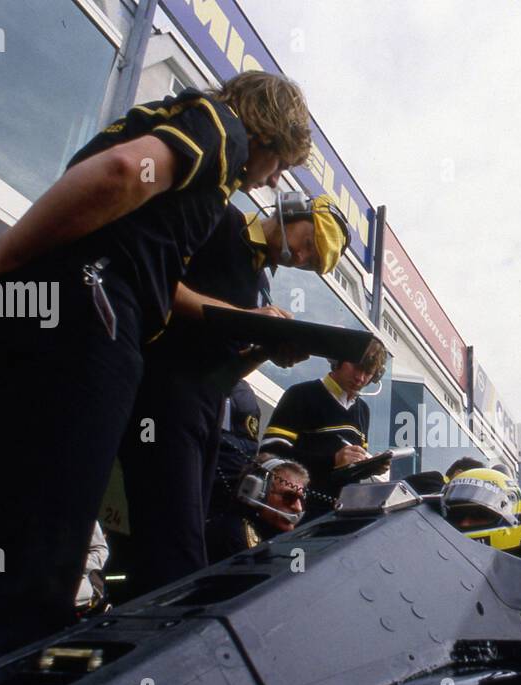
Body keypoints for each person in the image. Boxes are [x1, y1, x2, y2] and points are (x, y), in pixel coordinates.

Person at [0, 71, 311, 685]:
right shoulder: (219, 130)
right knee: (33, 574)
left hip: (42, 323)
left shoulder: (164, 128)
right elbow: (121, 173)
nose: (273, 179)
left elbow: (141, 264)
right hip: (86, 334)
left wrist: (3, 266)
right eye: (282, 162)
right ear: (268, 130)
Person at [118, 192, 350, 594]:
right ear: (292, 209)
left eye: (311, 262)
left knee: (185, 539)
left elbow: (221, 375)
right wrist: (246, 319)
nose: (300, 258)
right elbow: (153, 281)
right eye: (308, 244)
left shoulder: (261, 283)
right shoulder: (218, 222)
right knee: (175, 547)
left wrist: (265, 350)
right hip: (161, 395)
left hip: (203, 409)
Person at [258, 339, 390, 517]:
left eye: (368, 372)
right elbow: (271, 453)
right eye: (356, 367)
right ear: (337, 361)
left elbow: (348, 471)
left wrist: (370, 467)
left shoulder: (363, 411)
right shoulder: (301, 394)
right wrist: (332, 460)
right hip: (298, 510)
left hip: (338, 514)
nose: (360, 378)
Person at [208, 455, 310, 558]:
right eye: (289, 497)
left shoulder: (265, 538)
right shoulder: (236, 537)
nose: (298, 508)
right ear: (255, 492)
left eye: (301, 499)